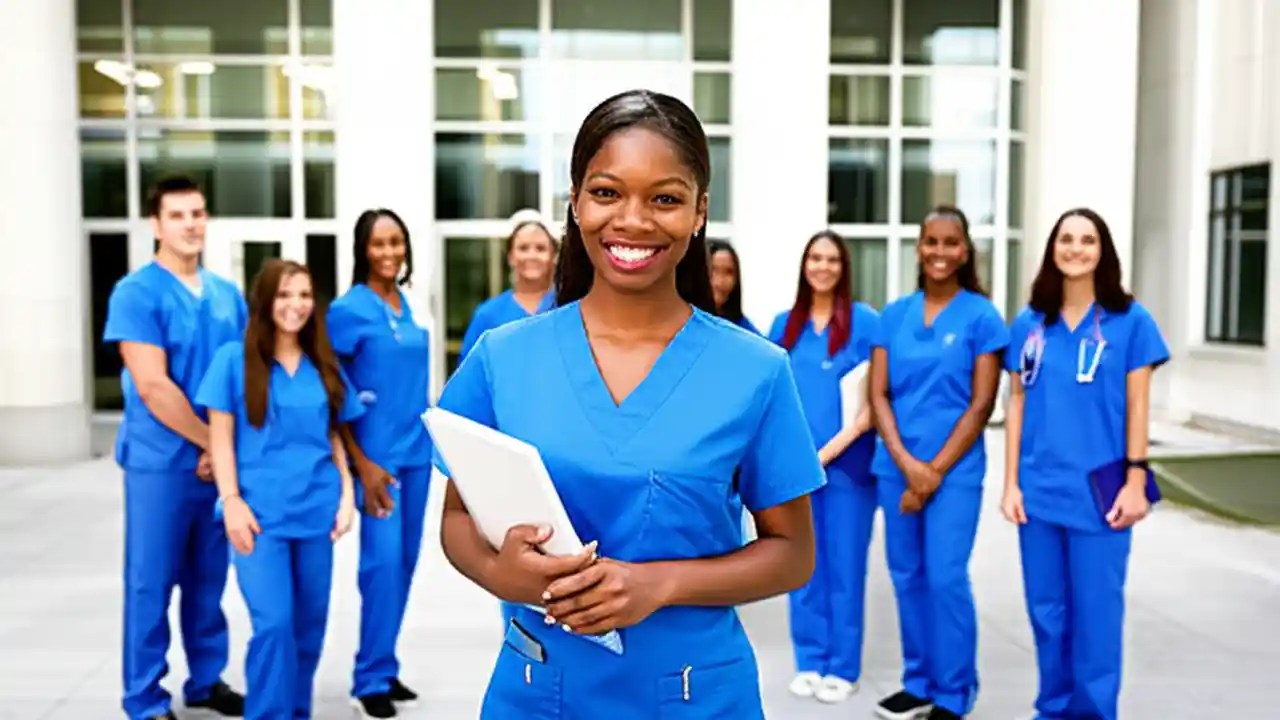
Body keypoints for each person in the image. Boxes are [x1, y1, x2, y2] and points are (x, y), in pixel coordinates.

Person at [432, 89, 824, 720]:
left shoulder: (755, 371)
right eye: (607, 192)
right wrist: (508, 578)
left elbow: (793, 554)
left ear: (699, 212)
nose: (633, 221)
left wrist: (660, 584)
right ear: (575, 202)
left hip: (696, 695)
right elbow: (456, 522)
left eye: (664, 199)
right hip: (538, 690)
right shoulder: (502, 357)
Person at [1002, 208, 1169, 720]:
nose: (1076, 248)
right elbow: (1016, 404)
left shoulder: (1130, 321)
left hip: (1101, 495)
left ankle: (1094, 713)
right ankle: (1052, 710)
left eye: (1088, 240)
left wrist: (1137, 480)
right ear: (1052, 248)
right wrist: (1011, 484)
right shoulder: (1032, 324)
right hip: (1040, 490)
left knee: (1096, 616)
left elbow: (1139, 405)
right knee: (1047, 615)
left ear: (1103, 251)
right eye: (1066, 239)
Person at [103, 175, 246, 720]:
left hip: (216, 466)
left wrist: (226, 449)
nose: (191, 224)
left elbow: (236, 377)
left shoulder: (226, 296)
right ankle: (143, 697)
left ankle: (207, 680)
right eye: (179, 215)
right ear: (156, 225)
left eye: (198, 213)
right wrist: (213, 441)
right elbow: (153, 386)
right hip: (161, 466)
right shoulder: (136, 293)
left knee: (209, 581)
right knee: (151, 581)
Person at [196, 259, 362, 720]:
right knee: (273, 625)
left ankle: (294, 712)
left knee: (309, 629)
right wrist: (230, 502)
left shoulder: (322, 364)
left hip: (316, 512)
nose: (296, 305)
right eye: (285, 295)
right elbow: (221, 439)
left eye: (304, 295)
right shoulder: (233, 361)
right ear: (265, 301)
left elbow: (332, 436)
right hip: (258, 518)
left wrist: (346, 495)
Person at [869, 205, 1009, 720]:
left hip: (955, 473)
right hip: (897, 469)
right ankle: (919, 681)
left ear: (966, 251)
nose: (940, 252)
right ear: (919, 247)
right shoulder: (894, 315)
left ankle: (954, 693)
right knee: (906, 576)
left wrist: (932, 472)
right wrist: (908, 466)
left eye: (951, 243)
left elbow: (981, 404)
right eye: (931, 242)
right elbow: (878, 395)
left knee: (945, 576)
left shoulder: (981, 317)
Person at [327, 209, 433, 718]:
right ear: (362, 250)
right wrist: (360, 461)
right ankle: (368, 678)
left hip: (417, 452)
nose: (390, 253)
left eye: (397, 243)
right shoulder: (349, 309)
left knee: (406, 565)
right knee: (382, 566)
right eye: (379, 244)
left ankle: (384, 665)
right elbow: (331, 380)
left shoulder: (403, 303)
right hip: (378, 460)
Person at [768, 230, 879, 705]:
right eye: (815, 257)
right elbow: (771, 397)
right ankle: (810, 659)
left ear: (843, 267)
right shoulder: (784, 325)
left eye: (832, 259)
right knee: (803, 566)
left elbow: (871, 403)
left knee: (845, 568)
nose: (822, 266)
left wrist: (826, 455)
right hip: (796, 472)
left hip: (848, 469)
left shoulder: (866, 324)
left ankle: (843, 666)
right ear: (804, 265)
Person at [457, 209, 559, 362]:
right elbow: (469, 374)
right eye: (523, 248)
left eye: (540, 248)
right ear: (511, 257)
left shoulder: (571, 308)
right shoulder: (488, 314)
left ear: (554, 256)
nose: (532, 256)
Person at [708, 238, 760, 334]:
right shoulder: (680, 324)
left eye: (728, 272)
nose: (719, 282)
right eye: (713, 270)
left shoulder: (746, 334)